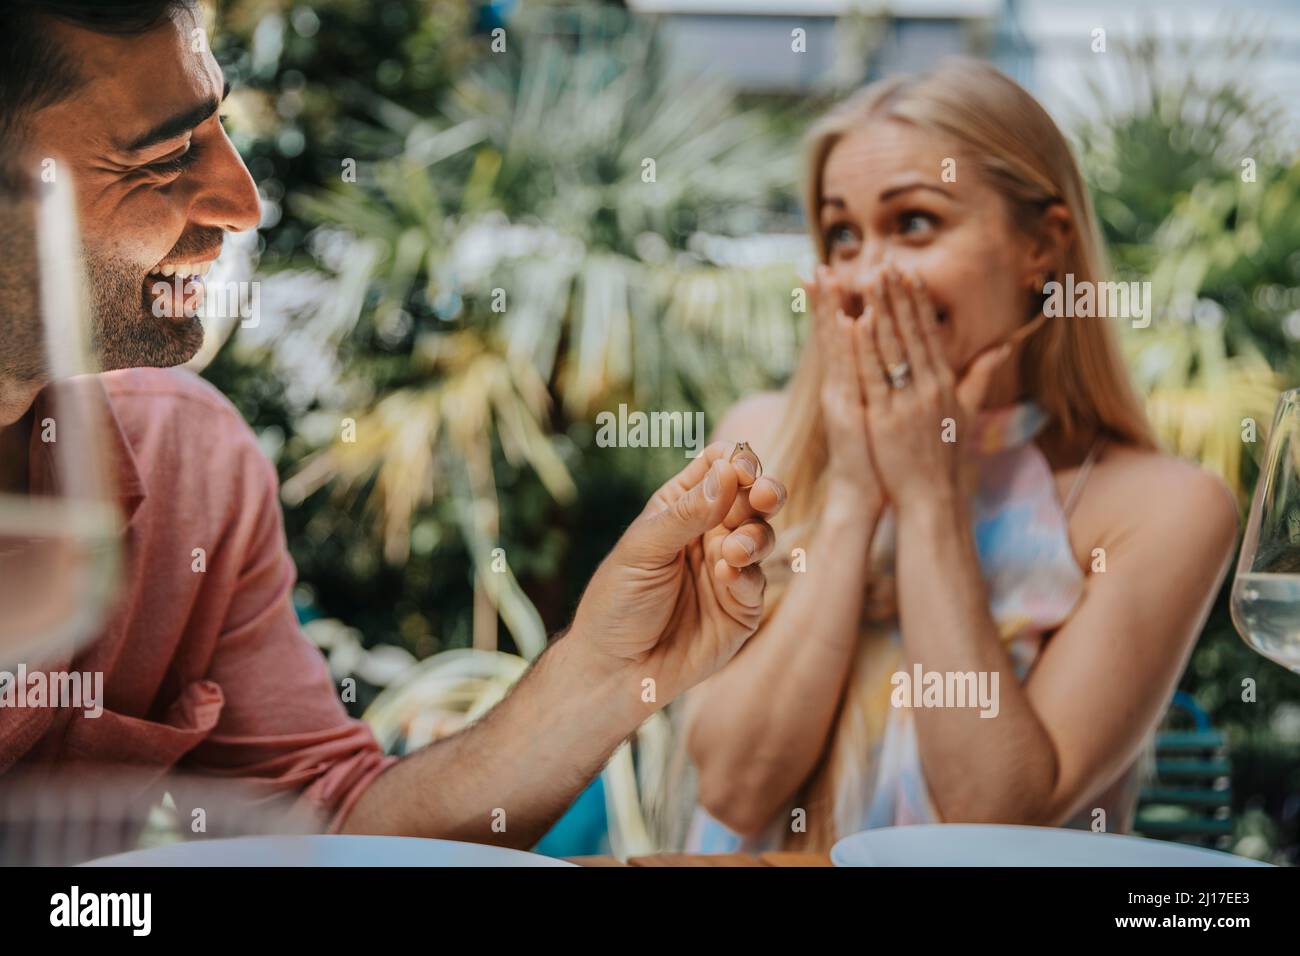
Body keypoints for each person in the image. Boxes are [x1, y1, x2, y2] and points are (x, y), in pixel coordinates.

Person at [0, 0, 785, 852]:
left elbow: (334, 831)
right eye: (164, 157)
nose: (243, 201)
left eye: (218, 126)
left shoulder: (192, 466)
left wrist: (603, 671)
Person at [677, 58, 1239, 852]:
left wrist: (931, 497)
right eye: (842, 234)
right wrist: (853, 496)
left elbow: (995, 820)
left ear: (1041, 248)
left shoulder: (1163, 505)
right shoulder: (764, 438)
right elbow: (732, 791)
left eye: (913, 223)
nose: (867, 275)